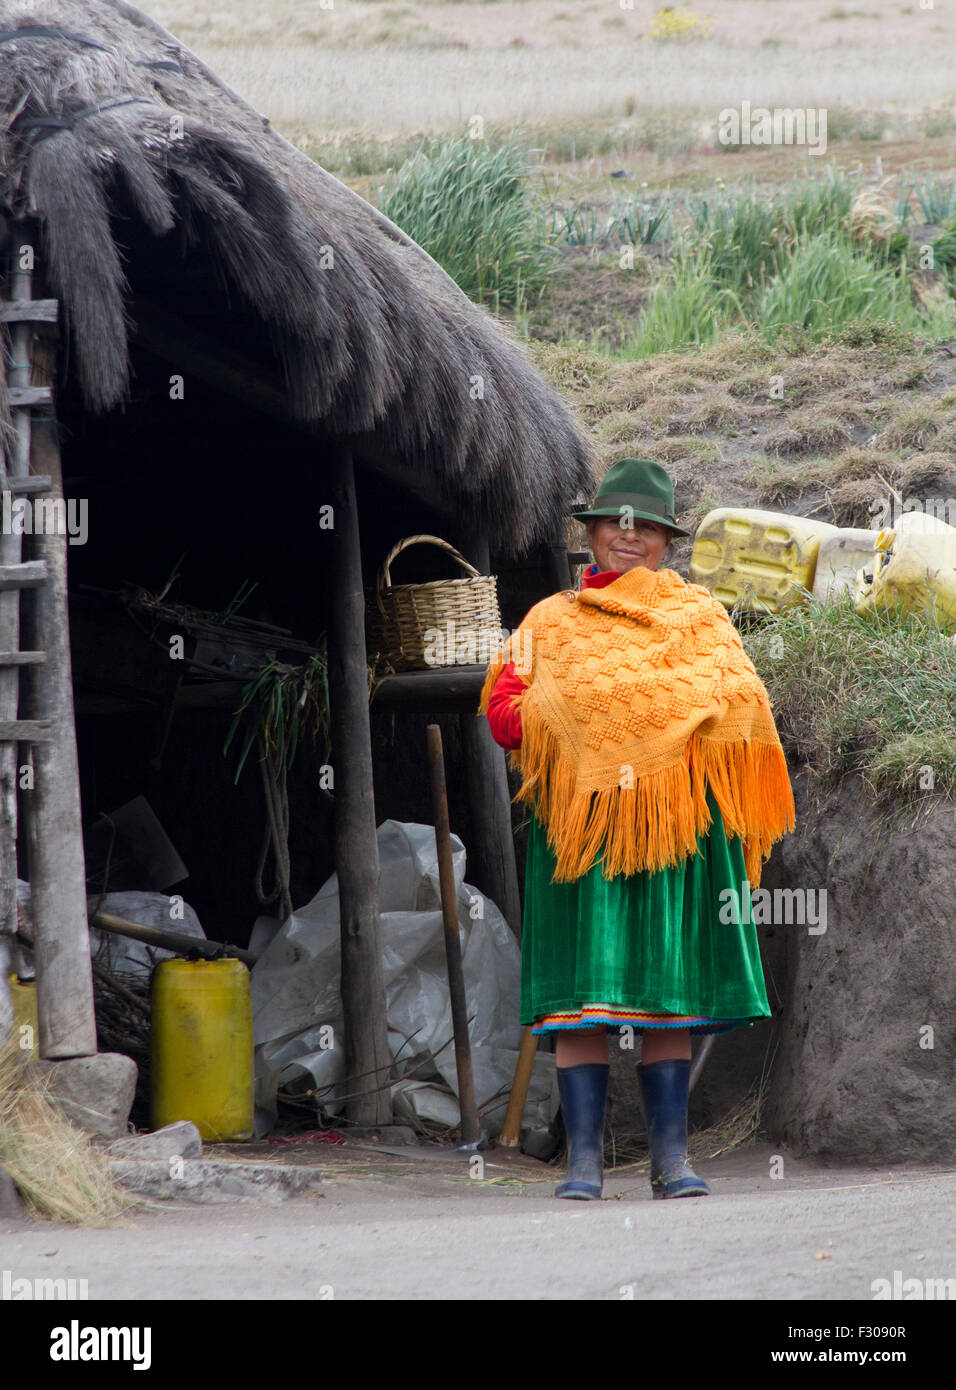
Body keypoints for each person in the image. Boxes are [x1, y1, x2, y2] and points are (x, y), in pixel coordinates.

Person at [478, 458, 795, 1201]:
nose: (629, 539)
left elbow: (742, 708)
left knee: (667, 992)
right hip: (579, 830)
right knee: (580, 996)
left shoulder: (700, 618)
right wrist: (559, 720)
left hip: (674, 831)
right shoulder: (549, 620)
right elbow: (501, 713)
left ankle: (671, 1162)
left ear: (664, 543)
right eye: (616, 525)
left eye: (646, 528)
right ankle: (583, 1164)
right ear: (589, 534)